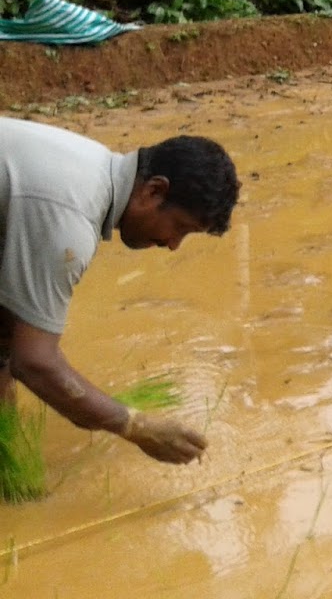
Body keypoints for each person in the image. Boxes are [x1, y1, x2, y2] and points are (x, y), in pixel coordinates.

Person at [0, 120, 239, 465]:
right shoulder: (69, 223)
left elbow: (10, 323)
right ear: (154, 191)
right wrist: (136, 426)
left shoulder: (91, 165)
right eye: (180, 228)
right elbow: (35, 362)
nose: (173, 245)